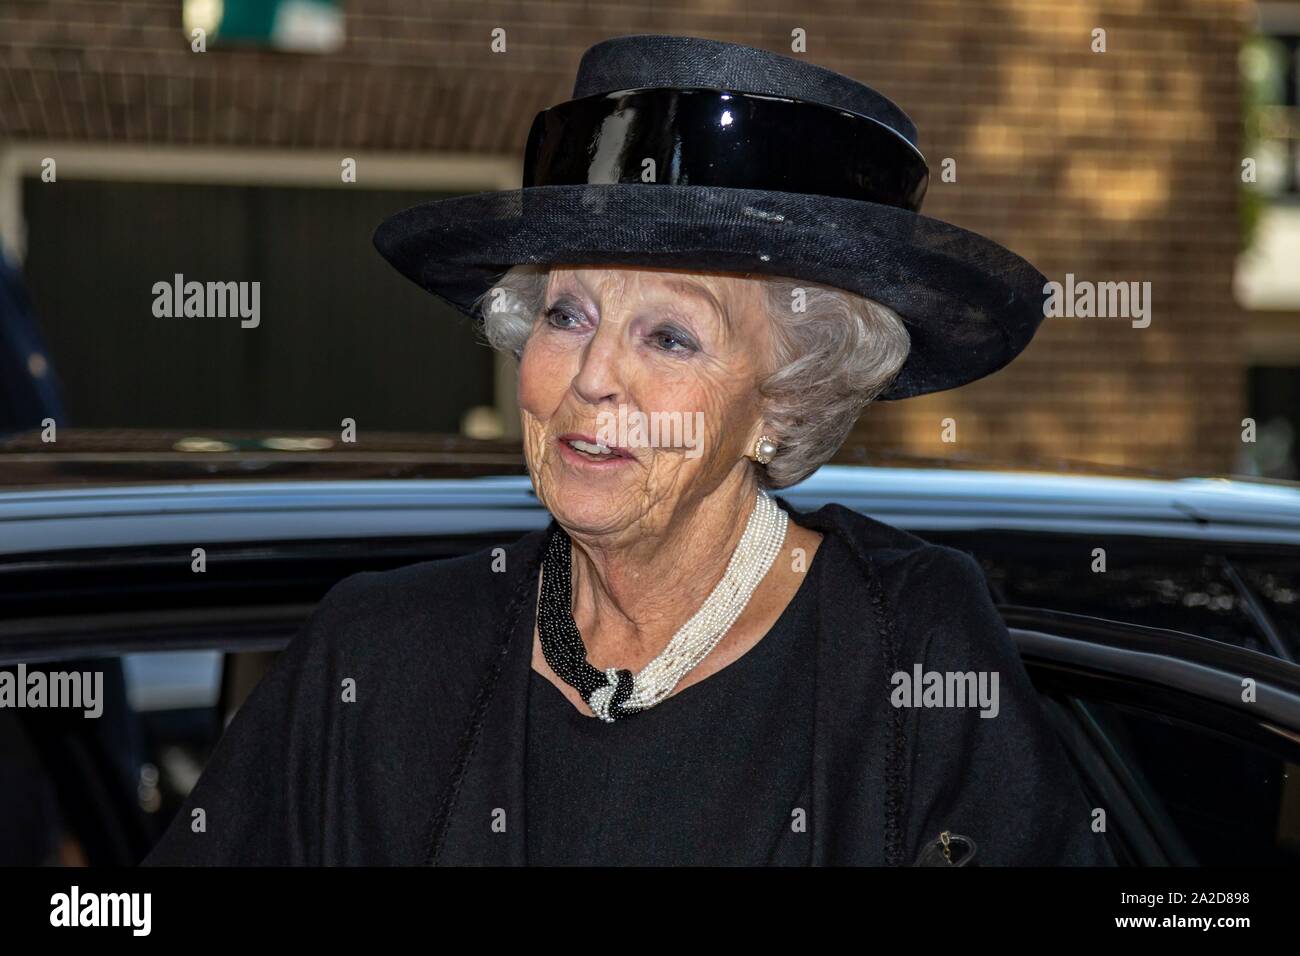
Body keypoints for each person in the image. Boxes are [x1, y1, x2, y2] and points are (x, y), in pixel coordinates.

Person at [143, 34, 1114, 866]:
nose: (591, 375)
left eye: (669, 336)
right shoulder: (379, 648)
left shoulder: (905, 641)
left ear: (784, 396)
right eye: (567, 315)